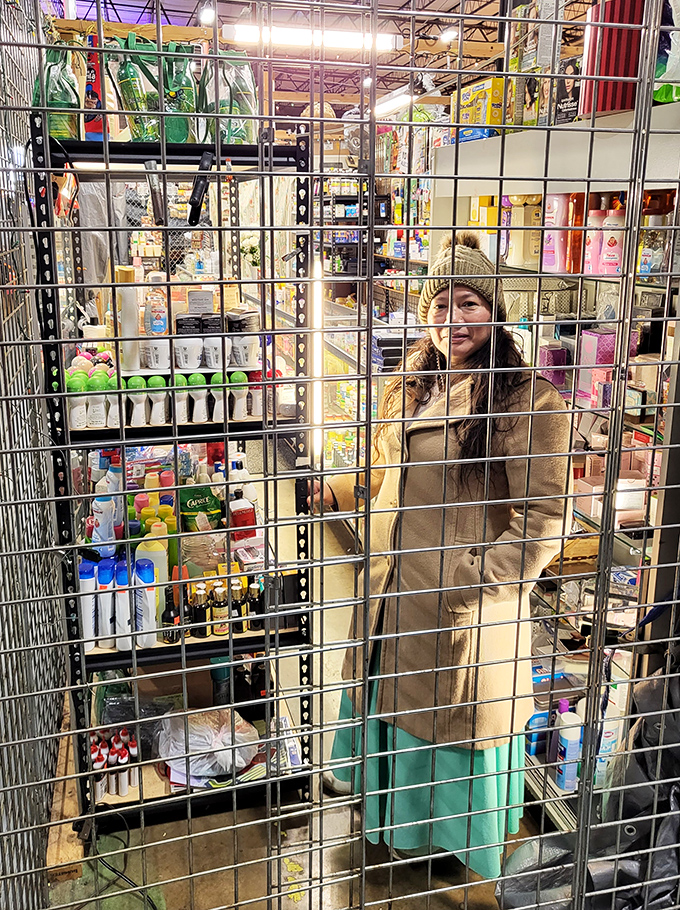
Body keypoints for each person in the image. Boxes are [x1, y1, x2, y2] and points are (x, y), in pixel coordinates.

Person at [312, 232, 572, 879]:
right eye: (440, 305)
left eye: (468, 304)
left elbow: (545, 520)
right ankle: (397, 824)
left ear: (494, 311)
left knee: (448, 723)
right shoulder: (414, 383)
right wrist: (337, 490)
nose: (452, 320)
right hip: (392, 591)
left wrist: (472, 584)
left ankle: (447, 844)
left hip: (457, 607)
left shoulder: (526, 399)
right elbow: (385, 471)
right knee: (394, 704)